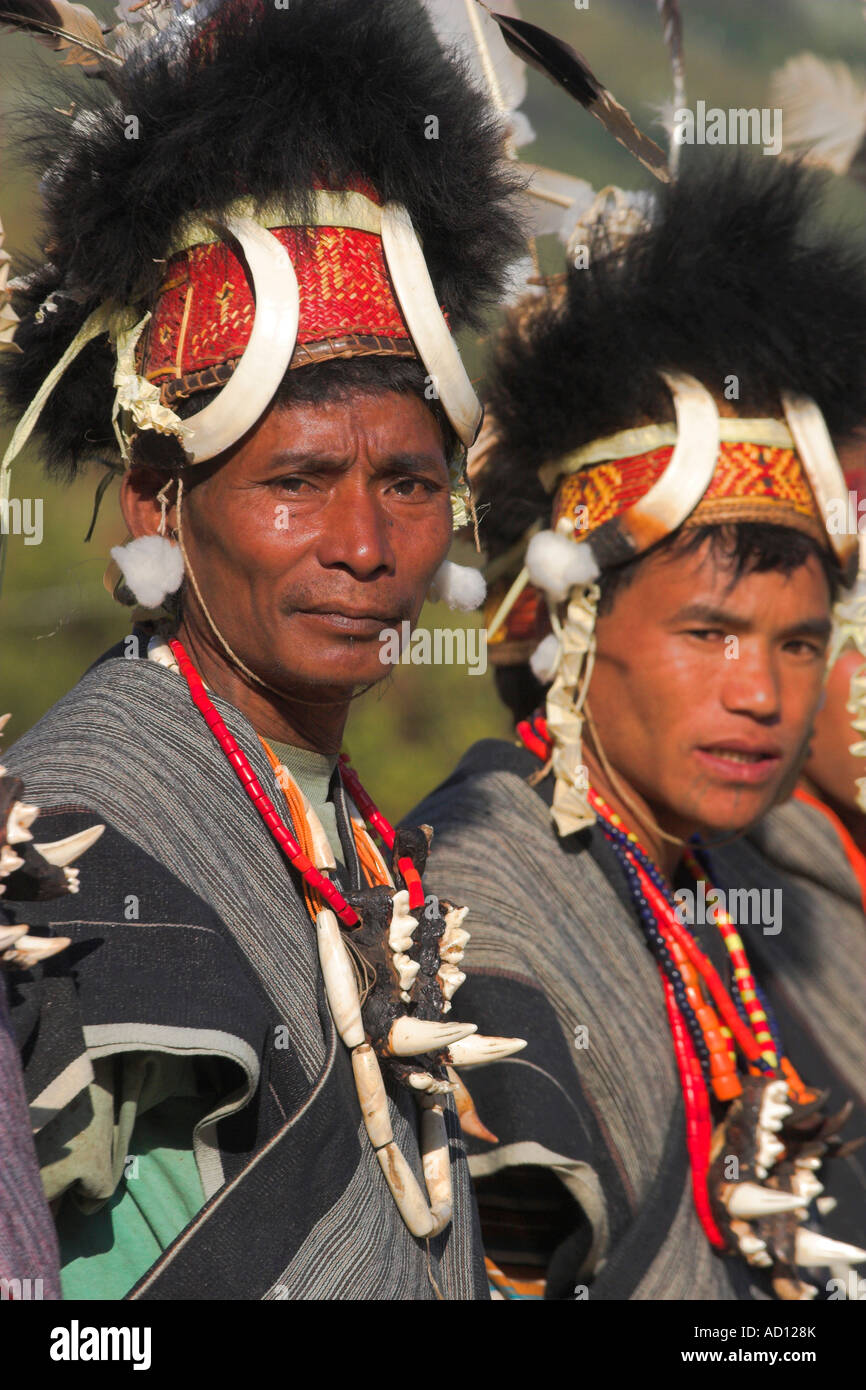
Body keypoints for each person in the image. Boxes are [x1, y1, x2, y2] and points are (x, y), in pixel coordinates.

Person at [0, 0, 524, 1299]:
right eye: (298, 479)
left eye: (407, 484)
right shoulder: (88, 851)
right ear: (155, 502)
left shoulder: (352, 835)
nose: (364, 543)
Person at [410, 156, 866, 1301]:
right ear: (575, 619)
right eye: (708, 633)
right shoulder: (481, 899)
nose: (759, 693)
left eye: (796, 642)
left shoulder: (714, 884)